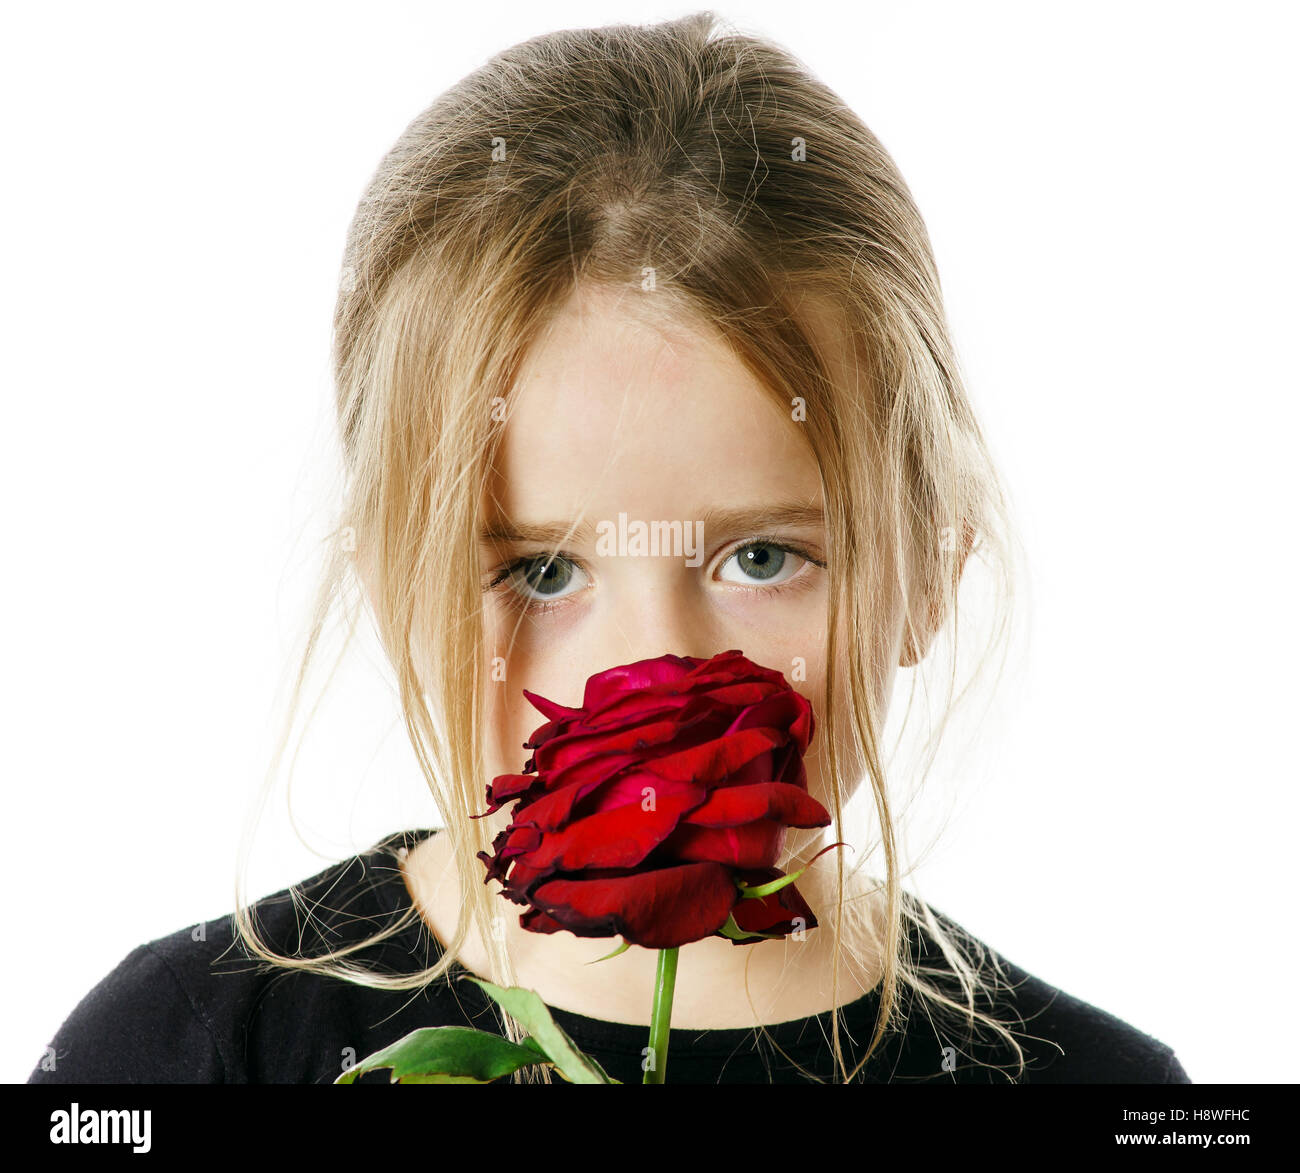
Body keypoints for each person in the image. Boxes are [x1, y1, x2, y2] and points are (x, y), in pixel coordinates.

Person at [28, 10, 1189, 1085]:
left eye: (762, 560)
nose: (656, 678)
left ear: (931, 567)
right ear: (394, 591)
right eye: (542, 572)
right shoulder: (183, 1050)